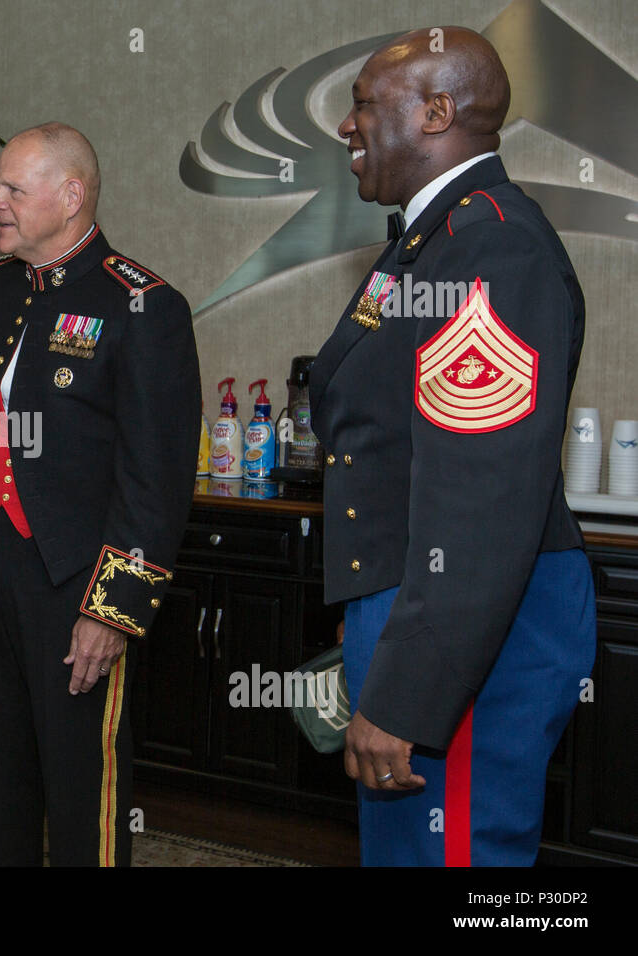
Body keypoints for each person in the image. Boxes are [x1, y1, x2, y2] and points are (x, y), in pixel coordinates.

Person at [310, 27, 596, 865]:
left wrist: (409, 694)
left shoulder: (493, 246)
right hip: (414, 606)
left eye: (364, 103)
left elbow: (480, 500)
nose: (347, 126)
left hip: (469, 627)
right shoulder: (426, 244)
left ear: (437, 113)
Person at [0, 123, 201, 866]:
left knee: (83, 783)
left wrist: (112, 609)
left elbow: (157, 479)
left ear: (71, 195)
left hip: (76, 579)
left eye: (14, 189)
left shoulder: (143, 305)